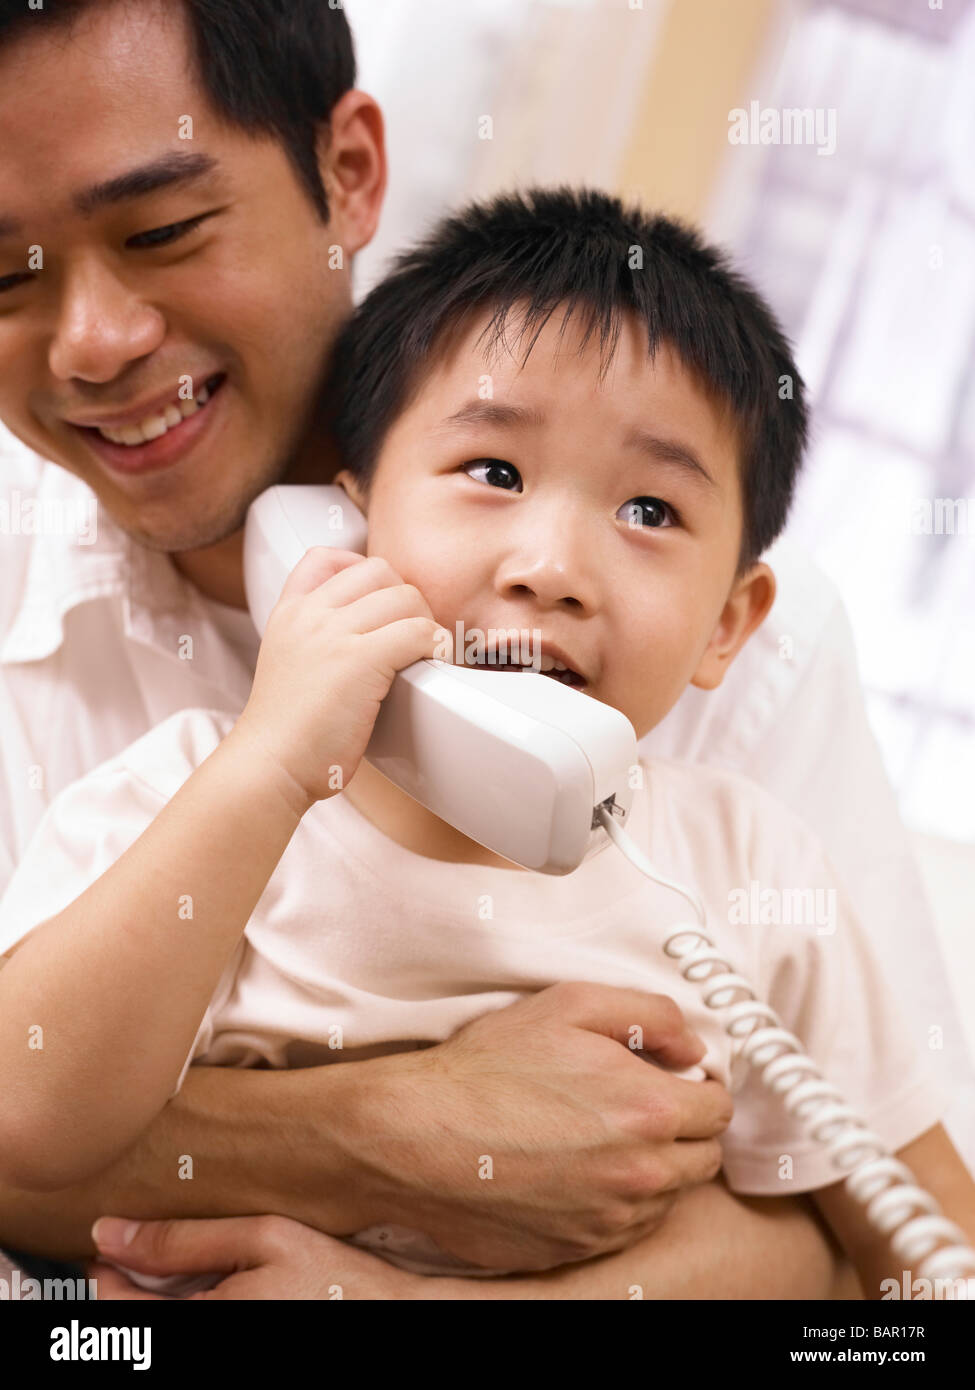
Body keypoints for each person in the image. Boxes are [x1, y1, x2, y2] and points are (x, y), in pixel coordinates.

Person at [1, 0, 968, 1300]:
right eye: (495, 473)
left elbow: (901, 1244)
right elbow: (24, 1114)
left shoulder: (742, 866)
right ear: (347, 521)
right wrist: (270, 775)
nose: (550, 563)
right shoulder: (193, 796)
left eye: (163, 230)